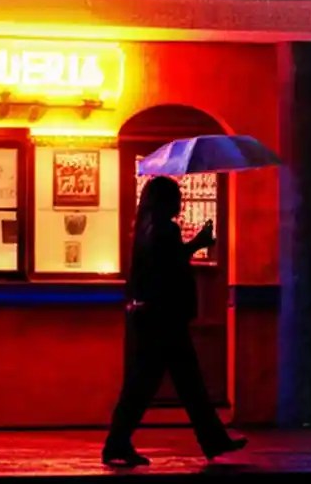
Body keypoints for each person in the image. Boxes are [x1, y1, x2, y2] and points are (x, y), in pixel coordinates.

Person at [103, 175, 248, 466]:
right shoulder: (165, 229)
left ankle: (119, 442)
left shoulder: (144, 228)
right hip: (165, 319)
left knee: (152, 384)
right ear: (166, 201)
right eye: (176, 197)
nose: (180, 202)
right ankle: (119, 443)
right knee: (178, 383)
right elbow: (170, 265)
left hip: (152, 317)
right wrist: (198, 243)